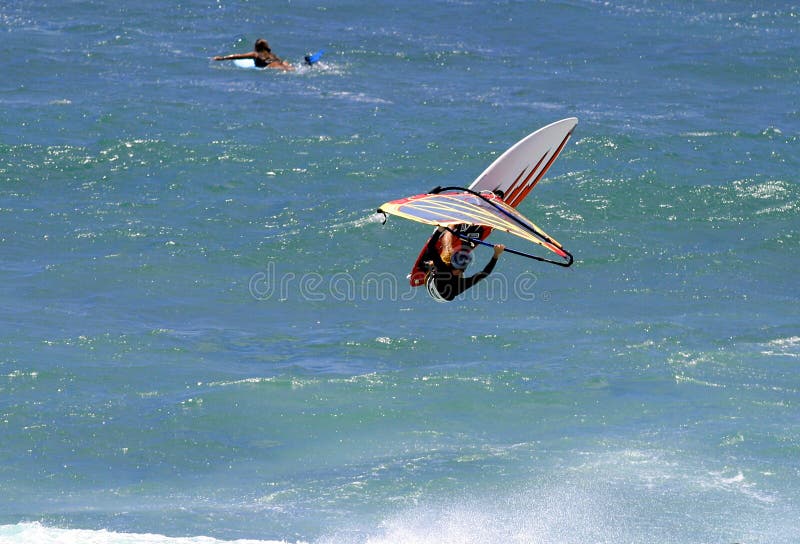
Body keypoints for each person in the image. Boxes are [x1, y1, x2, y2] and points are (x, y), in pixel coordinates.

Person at [423, 226, 505, 302]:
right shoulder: (461, 284)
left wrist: (439, 230)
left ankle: (449, 229)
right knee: (446, 257)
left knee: (447, 249)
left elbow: (430, 247)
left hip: (432, 285)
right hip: (443, 290)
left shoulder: (444, 271)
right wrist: (496, 254)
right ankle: (435, 262)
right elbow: (484, 274)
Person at [213, 38, 294, 71]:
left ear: (256, 46)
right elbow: (280, 61)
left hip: (271, 66)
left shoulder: (255, 54)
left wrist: (222, 58)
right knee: (290, 69)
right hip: (279, 63)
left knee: (283, 70)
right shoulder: (272, 54)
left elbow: (238, 56)